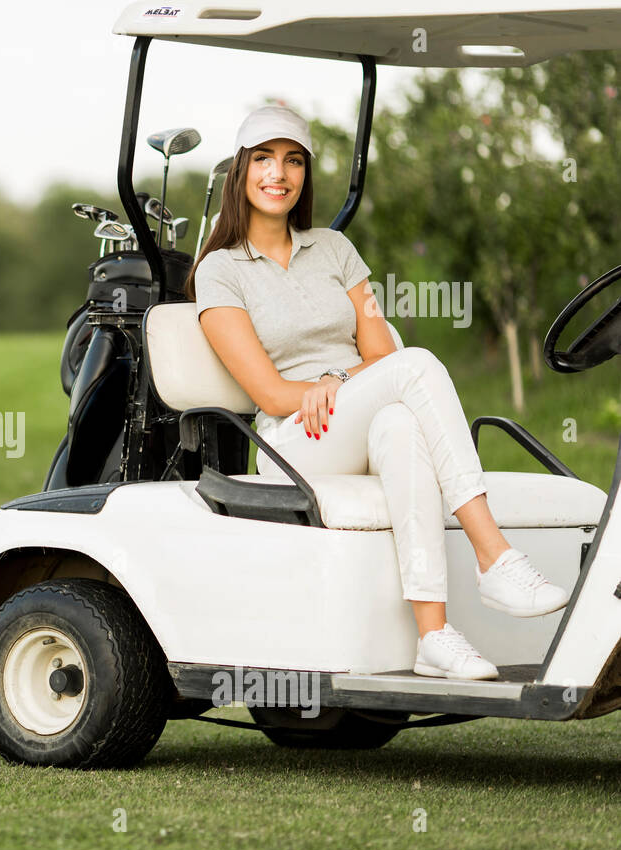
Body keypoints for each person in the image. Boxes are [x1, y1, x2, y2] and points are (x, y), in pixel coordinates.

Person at [186, 104, 569, 681]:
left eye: (293, 162)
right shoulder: (220, 270)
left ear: (305, 177)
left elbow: (378, 352)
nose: (278, 174)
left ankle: (433, 635)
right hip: (295, 439)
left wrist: (337, 381)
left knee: (403, 425)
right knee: (417, 367)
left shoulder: (335, 251)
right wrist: (321, 388)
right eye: (263, 159)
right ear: (241, 172)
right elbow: (267, 392)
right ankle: (495, 556)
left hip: (352, 406)